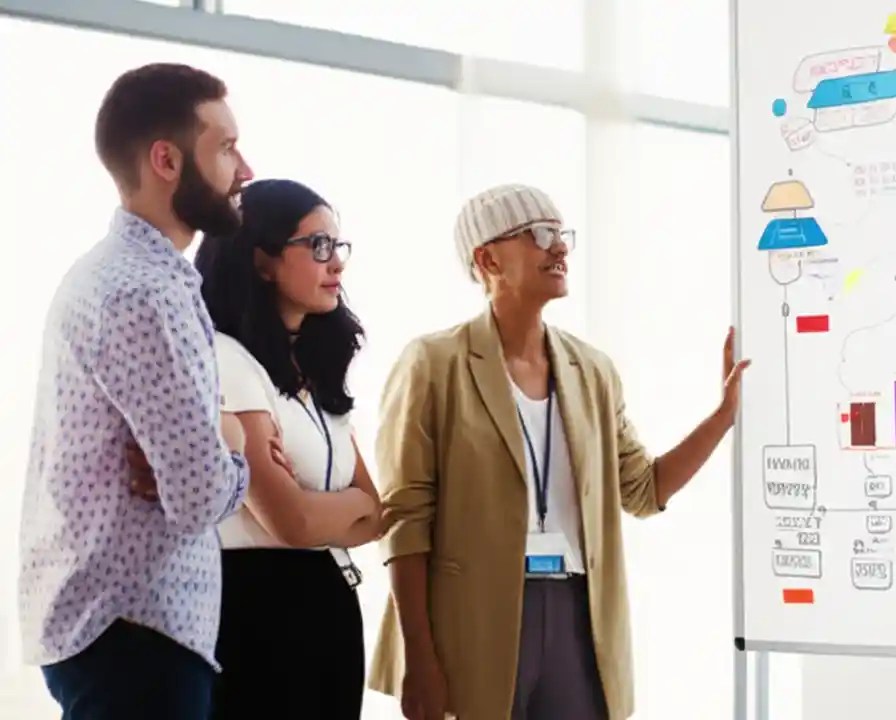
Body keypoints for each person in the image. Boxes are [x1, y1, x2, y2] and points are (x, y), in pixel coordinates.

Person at [365, 183, 749, 720]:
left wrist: (724, 415)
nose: (560, 247)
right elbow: (404, 520)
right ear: (488, 258)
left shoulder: (592, 370)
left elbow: (642, 490)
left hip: (577, 617)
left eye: (562, 234)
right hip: (474, 620)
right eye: (539, 235)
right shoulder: (432, 363)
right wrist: (420, 658)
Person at [16, 63, 259, 719]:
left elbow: (184, 480)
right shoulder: (144, 291)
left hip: (124, 631)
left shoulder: (130, 277)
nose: (246, 169)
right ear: (166, 159)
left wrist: (211, 445)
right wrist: (232, 438)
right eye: (227, 147)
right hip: (135, 633)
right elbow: (200, 495)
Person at [191, 178, 387, 718]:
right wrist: (346, 508)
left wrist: (338, 508)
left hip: (329, 608)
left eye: (338, 246)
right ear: (262, 261)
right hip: (259, 615)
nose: (337, 264)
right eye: (317, 246)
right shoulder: (227, 358)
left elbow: (377, 513)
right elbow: (292, 523)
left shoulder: (317, 372)